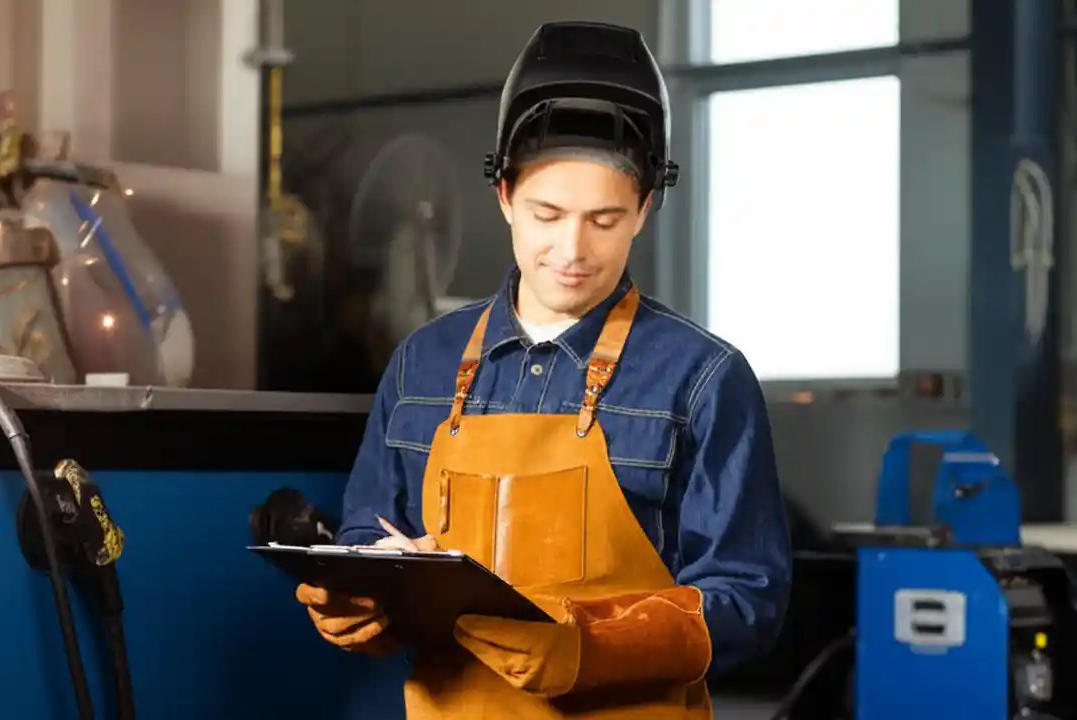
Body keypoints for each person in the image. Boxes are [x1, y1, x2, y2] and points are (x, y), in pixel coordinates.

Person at [296, 20, 792, 719]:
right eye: (547, 213)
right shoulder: (422, 364)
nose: (572, 248)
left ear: (645, 209)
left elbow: (748, 600)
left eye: (604, 219)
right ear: (503, 196)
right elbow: (370, 537)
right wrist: (358, 603)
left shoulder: (702, 379)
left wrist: (594, 647)